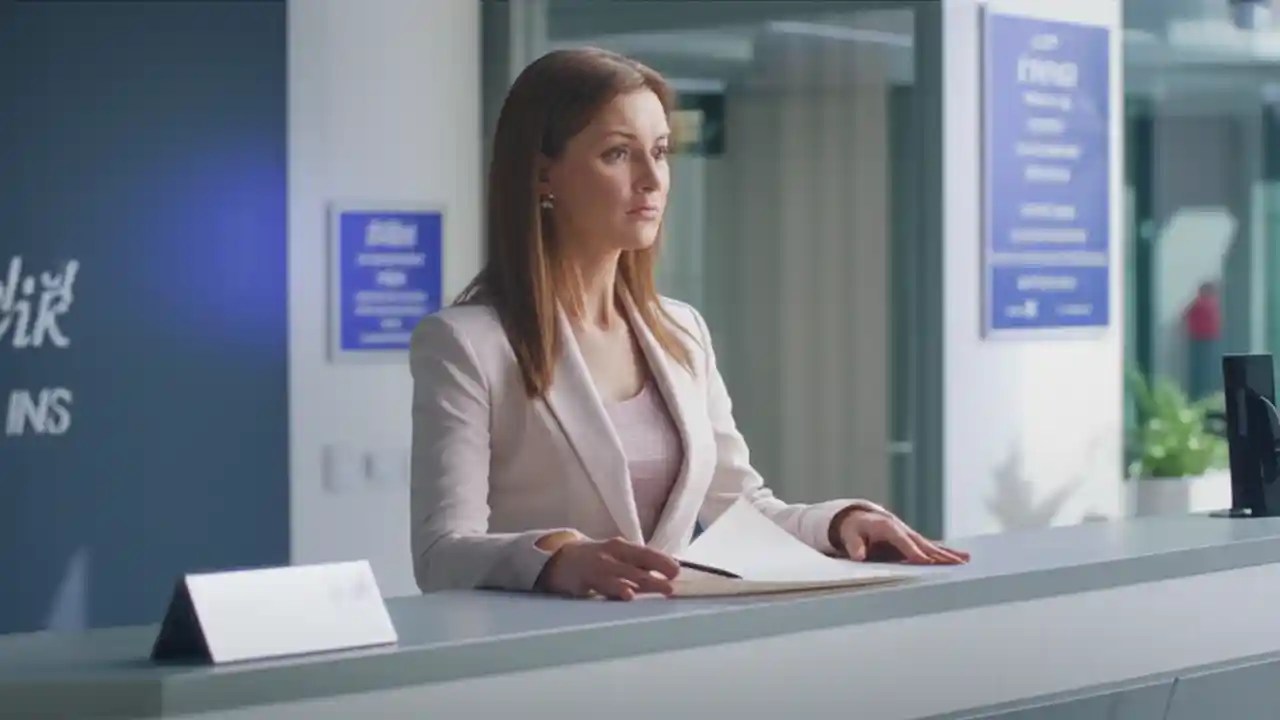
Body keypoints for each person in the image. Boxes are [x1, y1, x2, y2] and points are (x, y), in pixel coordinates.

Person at [409, 47, 968, 601]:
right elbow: (442, 552)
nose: (652, 179)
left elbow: (738, 509)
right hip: (544, 663)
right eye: (618, 154)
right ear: (541, 174)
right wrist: (556, 559)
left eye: (660, 151)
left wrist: (838, 523)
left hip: (672, 655)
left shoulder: (681, 332)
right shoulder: (467, 344)